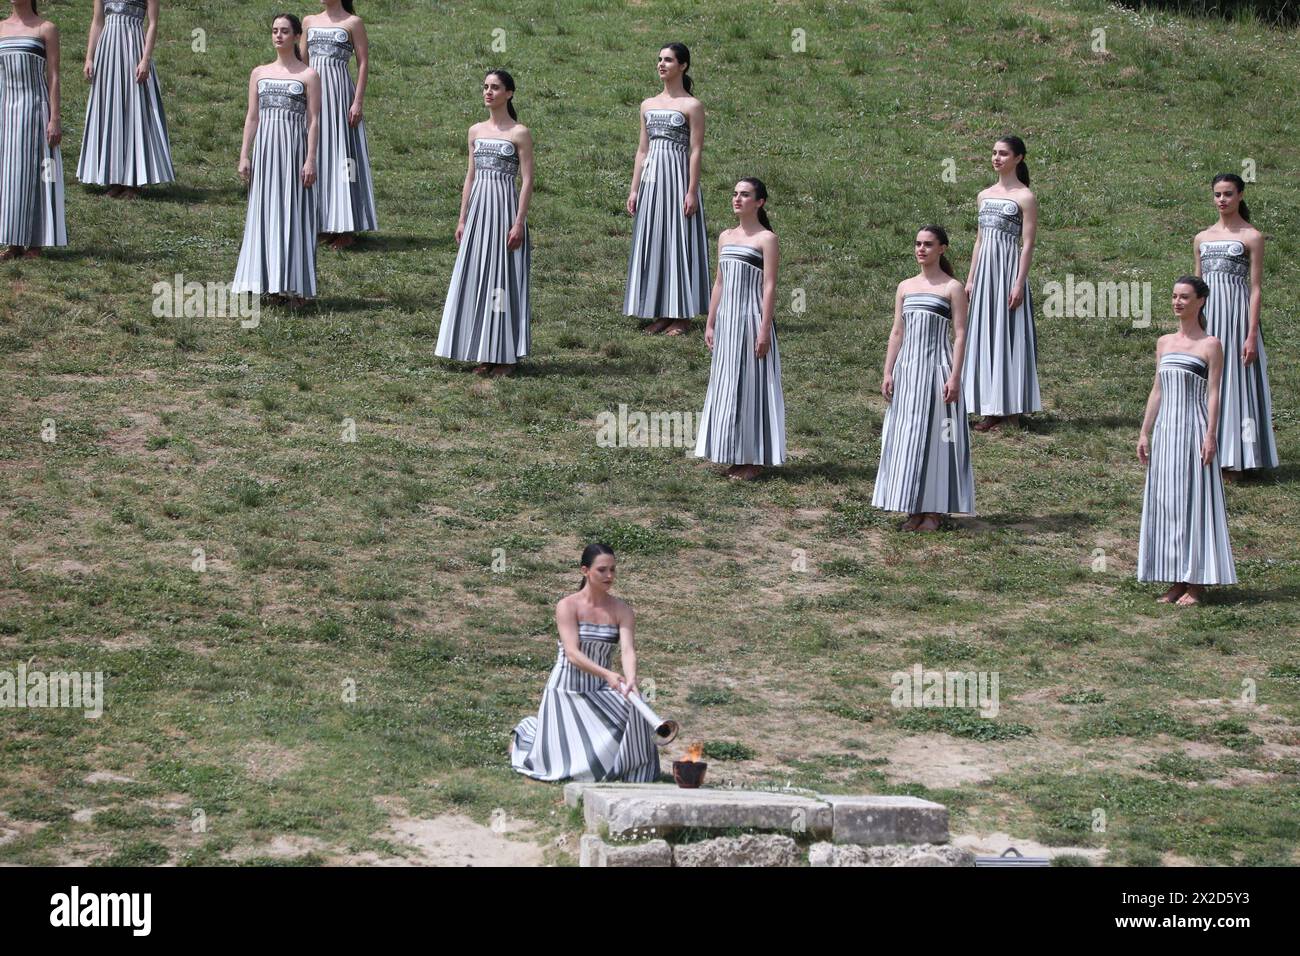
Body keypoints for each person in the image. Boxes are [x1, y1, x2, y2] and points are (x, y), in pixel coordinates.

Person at [510, 544, 660, 783]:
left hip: (599, 688)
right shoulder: (567, 605)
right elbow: (572, 653)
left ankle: (626, 767)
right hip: (566, 689)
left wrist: (630, 678)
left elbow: (628, 650)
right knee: (564, 767)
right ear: (585, 571)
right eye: (602, 570)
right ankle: (529, 733)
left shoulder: (622, 610)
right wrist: (607, 674)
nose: (609, 576)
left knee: (637, 709)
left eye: (613, 569)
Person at [1136, 277, 1236, 606]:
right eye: (1174, 296)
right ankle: (1176, 579)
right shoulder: (1164, 342)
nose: (1178, 302)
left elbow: (1214, 392)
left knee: (1193, 501)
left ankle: (1196, 583)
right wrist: (1145, 431)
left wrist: (1211, 434)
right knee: (1168, 502)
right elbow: (1157, 389)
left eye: (1185, 297)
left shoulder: (1211, 345)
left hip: (1194, 430)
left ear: (1201, 301)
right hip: (1166, 432)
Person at [873, 226, 973, 530]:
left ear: (942, 248)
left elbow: (960, 335)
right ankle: (913, 507)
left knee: (938, 439)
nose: (921, 249)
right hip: (907, 373)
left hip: (937, 372)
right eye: (918, 244)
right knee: (907, 437)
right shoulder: (905, 286)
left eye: (928, 244)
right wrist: (888, 370)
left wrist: (955, 377)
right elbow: (897, 332)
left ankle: (934, 511)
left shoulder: (952, 288)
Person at [434, 69, 532, 377]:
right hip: (478, 215)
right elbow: (471, 176)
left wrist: (518, 222)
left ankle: (505, 356)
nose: (488, 92)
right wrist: (462, 218)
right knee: (479, 280)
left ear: (509, 93)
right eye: (485, 87)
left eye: (495, 87)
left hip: (504, 213)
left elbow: (527, 181)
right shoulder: (475, 130)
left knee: (503, 282)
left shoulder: (519, 133)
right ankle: (483, 351)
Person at [694, 177, 784, 480]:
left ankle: (754, 458)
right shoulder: (725, 236)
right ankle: (733, 452)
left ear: (760, 202)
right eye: (735, 194)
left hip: (751, 320)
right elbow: (719, 281)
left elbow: (769, 286)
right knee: (728, 384)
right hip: (727, 322)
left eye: (745, 195)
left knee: (753, 386)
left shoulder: (766, 239)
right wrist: (710, 320)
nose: (737, 199)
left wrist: (763, 328)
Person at [232, 13, 320, 307]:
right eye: (274, 31)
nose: (278, 36)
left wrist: (310, 160)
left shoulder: (308, 75)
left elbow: (314, 120)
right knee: (264, 213)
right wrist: (245, 154)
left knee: (293, 214)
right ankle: (267, 282)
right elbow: (252, 117)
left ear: (297, 36)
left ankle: (295, 286)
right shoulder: (259, 73)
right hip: (267, 154)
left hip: (294, 153)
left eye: (285, 31)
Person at [1193, 173, 1277, 475]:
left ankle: (1244, 457)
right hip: (1210, 318)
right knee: (1209, 381)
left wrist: (1252, 333)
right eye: (1217, 194)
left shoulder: (1251, 236)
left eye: (1228, 194)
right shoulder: (1202, 238)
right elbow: (1197, 288)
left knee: (1239, 383)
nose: (1222, 200)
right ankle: (1209, 450)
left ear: (1240, 195)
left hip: (1239, 319)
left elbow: (1255, 288)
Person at [624, 42, 708, 336]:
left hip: (678, 178)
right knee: (655, 241)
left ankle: (682, 315)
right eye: (659, 59)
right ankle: (660, 311)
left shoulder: (692, 106)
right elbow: (642, 150)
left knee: (679, 241)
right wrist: (634, 190)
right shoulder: (647, 104)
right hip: (652, 182)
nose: (661, 64)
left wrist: (691, 190)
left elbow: (696, 150)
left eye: (668, 60)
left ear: (683, 66)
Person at [964, 134, 1041, 431]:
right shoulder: (984, 195)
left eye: (1004, 153)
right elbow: (980, 240)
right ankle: (988, 407)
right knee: (985, 333)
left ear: (1018, 158)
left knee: (1009, 333)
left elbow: (1028, 243)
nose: (997, 158)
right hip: (985, 274)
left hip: (1008, 270)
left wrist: (1019, 283)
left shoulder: (1025, 197)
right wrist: (970, 280)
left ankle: (1011, 410)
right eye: (994, 153)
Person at [77, 0, 175, 198]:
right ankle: (114, 179)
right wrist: (89, 57)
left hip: (133, 49)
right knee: (110, 111)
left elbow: (153, 22)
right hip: (108, 51)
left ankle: (133, 182)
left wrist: (145, 59)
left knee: (135, 111)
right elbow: (97, 21)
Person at [301, 0, 376, 249]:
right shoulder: (309, 21)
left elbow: (363, 62)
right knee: (316, 155)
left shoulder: (353, 23)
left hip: (339, 95)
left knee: (344, 158)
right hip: (313, 94)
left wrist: (358, 101)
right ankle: (324, 222)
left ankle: (346, 227)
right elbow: (301, 60)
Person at [0, 0, 66, 260]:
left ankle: (36, 242)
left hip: (35, 109)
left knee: (39, 173)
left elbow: (54, 76)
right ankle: (14, 242)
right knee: (9, 175)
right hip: (6, 110)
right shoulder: (1, 28)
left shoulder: (46, 29)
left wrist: (55, 117)